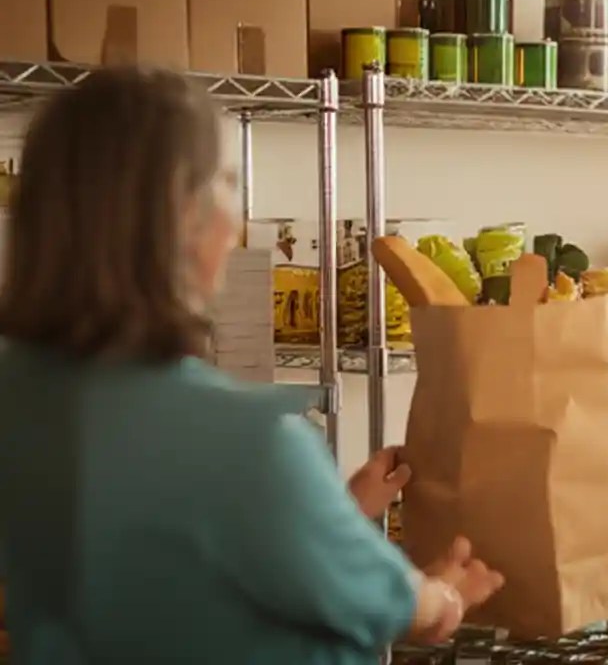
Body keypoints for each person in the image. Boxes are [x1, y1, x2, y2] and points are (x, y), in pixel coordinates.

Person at [0, 68, 503, 663]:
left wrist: (331, 512)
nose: (236, 223)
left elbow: (167, 554)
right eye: (228, 185)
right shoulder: (246, 441)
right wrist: (443, 596)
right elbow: (388, 605)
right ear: (185, 218)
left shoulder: (19, 396)